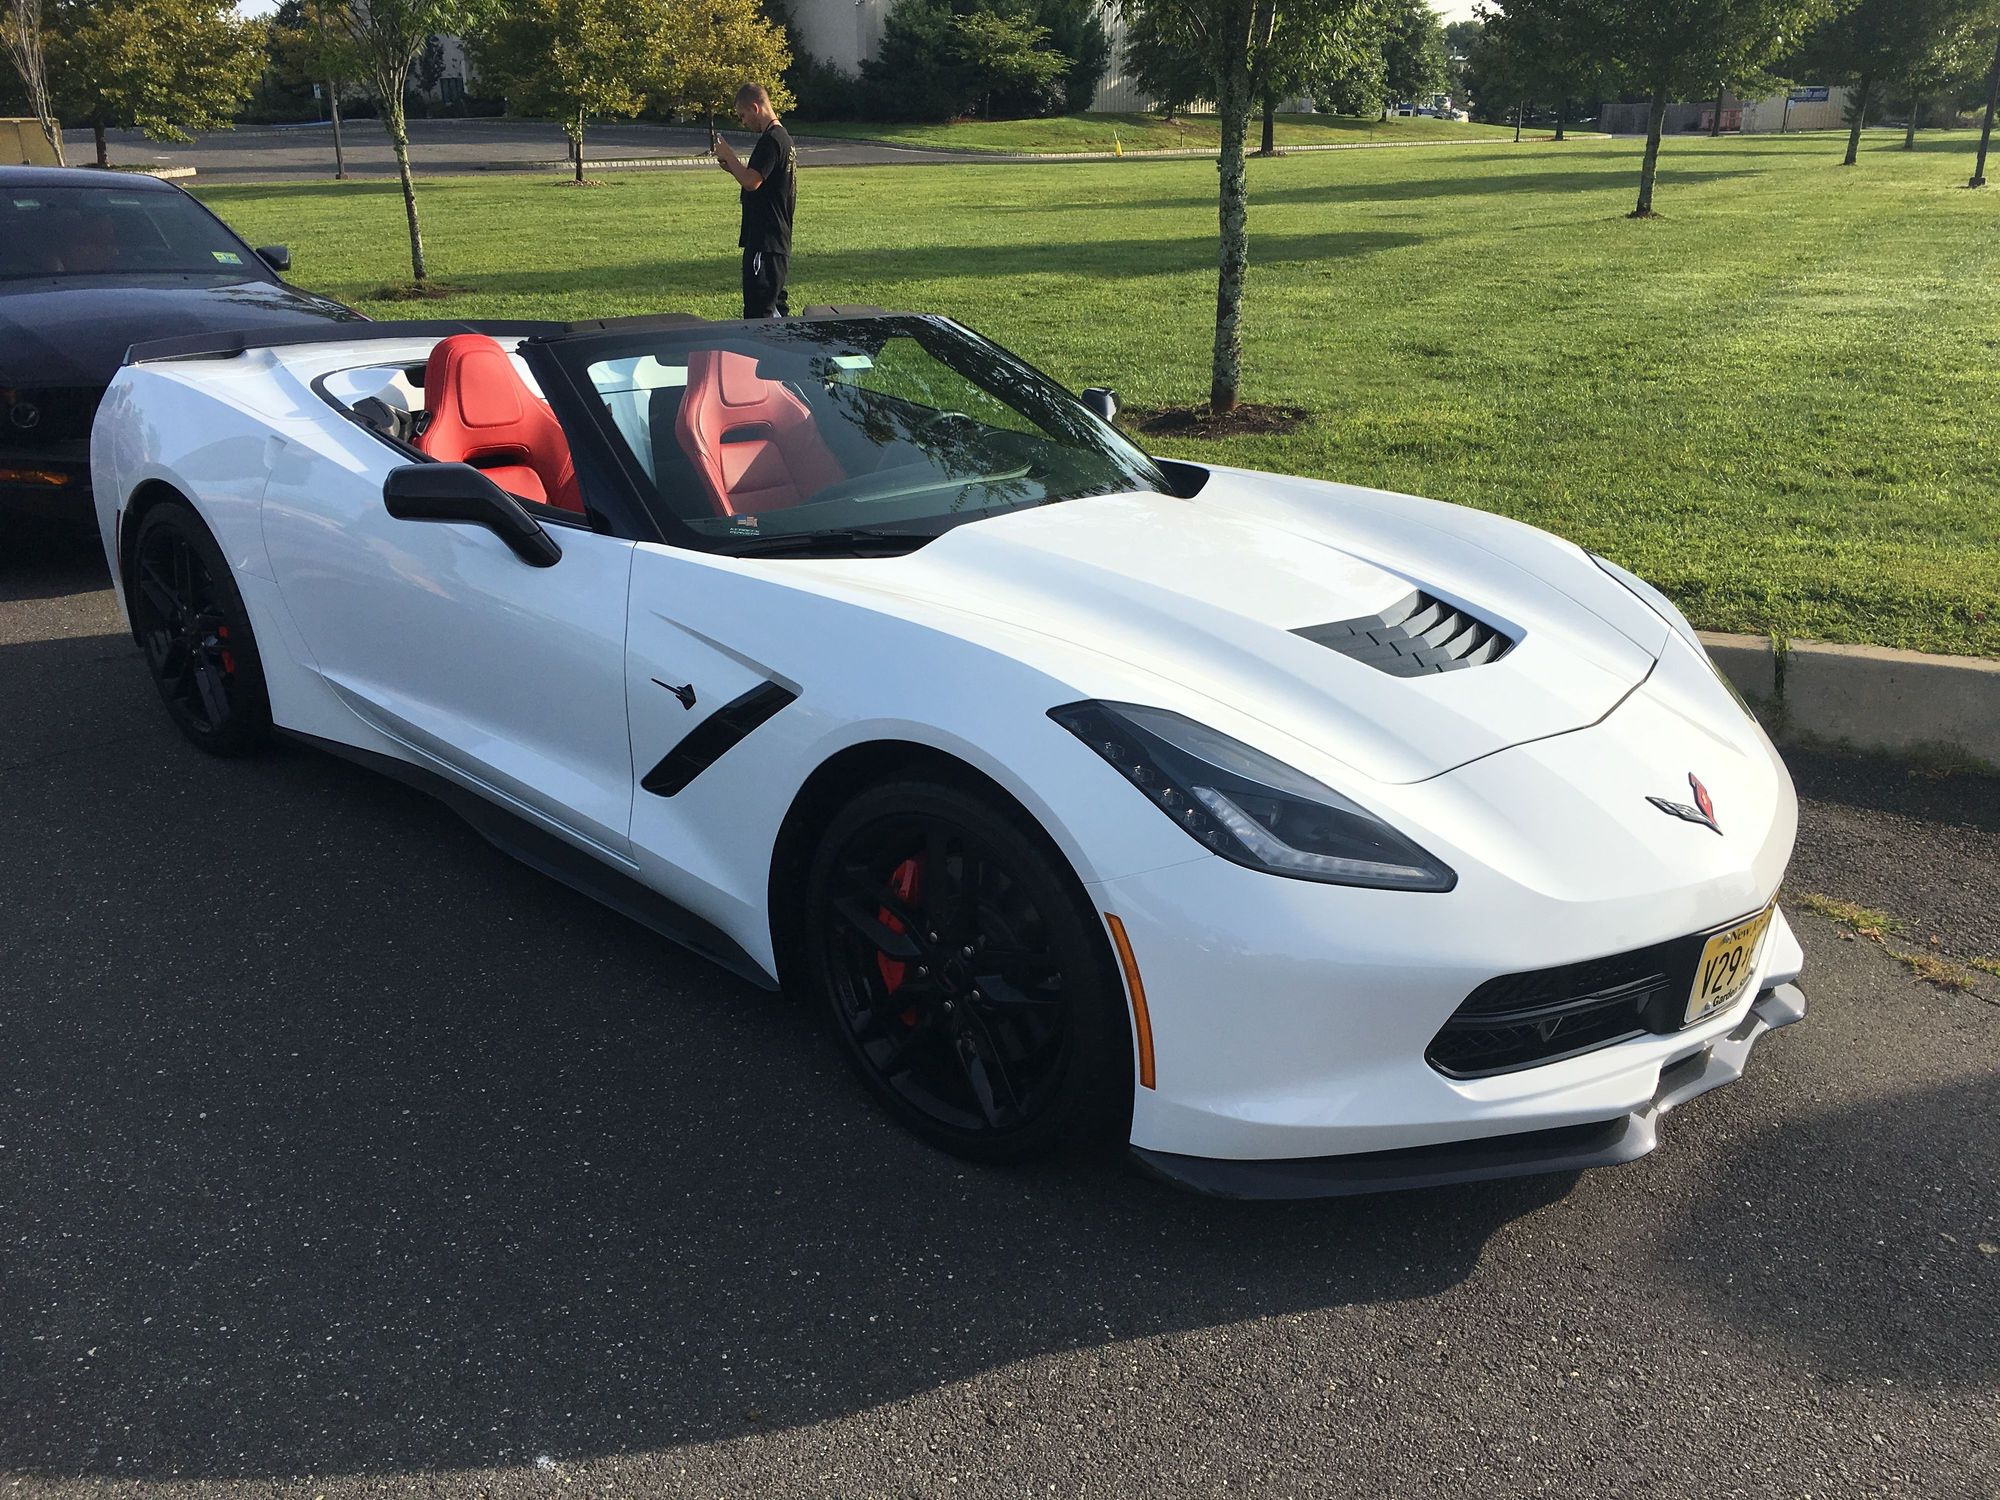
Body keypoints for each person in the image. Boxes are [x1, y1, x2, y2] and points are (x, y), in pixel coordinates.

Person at [712, 83, 797, 319]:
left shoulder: (771, 140)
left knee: (758, 314)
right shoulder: (784, 139)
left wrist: (729, 155)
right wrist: (733, 168)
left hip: (765, 243)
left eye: (743, 115)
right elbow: (758, 179)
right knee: (776, 310)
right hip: (776, 242)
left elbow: (751, 181)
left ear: (755, 107)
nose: (743, 122)